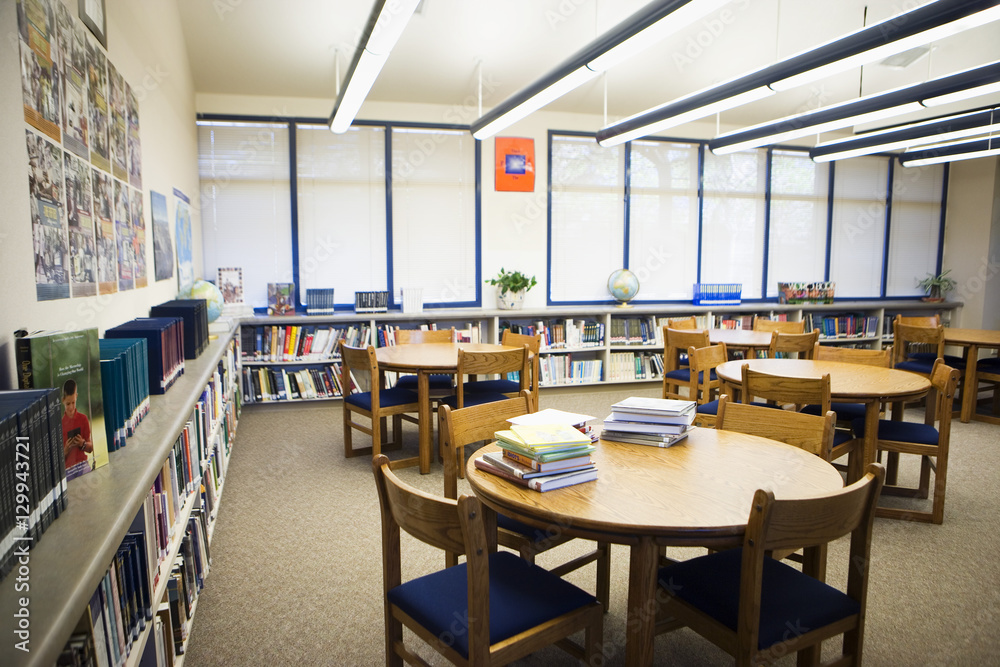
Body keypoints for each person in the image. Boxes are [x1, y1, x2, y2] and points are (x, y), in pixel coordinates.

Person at [62, 378, 93, 470]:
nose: (71, 407)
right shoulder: (60, 425)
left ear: (76, 396)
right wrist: (65, 451)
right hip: (68, 469)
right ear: (63, 400)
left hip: (82, 465)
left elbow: (90, 448)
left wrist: (82, 443)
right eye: (68, 404)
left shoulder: (83, 419)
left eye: (73, 403)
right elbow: (56, 461)